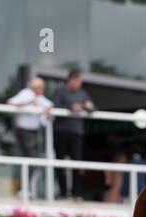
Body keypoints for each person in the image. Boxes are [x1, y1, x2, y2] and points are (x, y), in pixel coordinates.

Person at [5, 76, 53, 197]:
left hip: (35, 131)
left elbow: (49, 107)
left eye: (43, 87)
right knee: (31, 159)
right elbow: (10, 103)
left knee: (34, 160)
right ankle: (24, 189)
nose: (42, 89)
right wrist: (28, 104)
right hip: (24, 130)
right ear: (34, 87)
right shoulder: (26, 94)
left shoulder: (41, 98)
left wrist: (47, 110)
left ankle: (27, 188)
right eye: (40, 87)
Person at [52, 69, 95, 200]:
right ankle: (64, 193)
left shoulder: (83, 93)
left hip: (77, 133)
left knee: (77, 163)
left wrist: (88, 107)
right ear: (69, 80)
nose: (77, 83)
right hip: (62, 132)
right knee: (61, 163)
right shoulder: (60, 92)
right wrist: (71, 107)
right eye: (75, 80)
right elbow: (55, 107)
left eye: (79, 81)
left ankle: (77, 193)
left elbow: (93, 108)